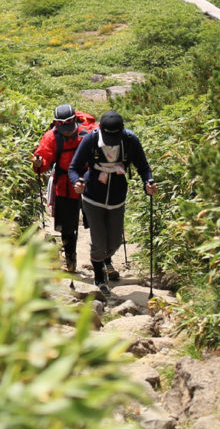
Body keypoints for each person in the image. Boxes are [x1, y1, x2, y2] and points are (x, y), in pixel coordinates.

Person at [68, 110, 156, 299]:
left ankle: (104, 259)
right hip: (92, 196)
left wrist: (148, 181)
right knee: (99, 242)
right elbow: (74, 167)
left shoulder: (130, 140)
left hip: (117, 197)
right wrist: (77, 182)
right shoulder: (90, 140)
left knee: (115, 241)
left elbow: (143, 166)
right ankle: (99, 276)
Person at [31, 104, 96, 274]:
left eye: (70, 127)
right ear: (57, 124)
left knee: (97, 221)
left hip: (89, 180)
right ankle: (70, 260)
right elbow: (43, 160)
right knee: (67, 226)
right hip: (64, 185)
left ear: (75, 120)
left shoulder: (89, 131)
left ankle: (104, 261)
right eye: (64, 128)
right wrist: (39, 164)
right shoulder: (51, 137)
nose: (68, 131)